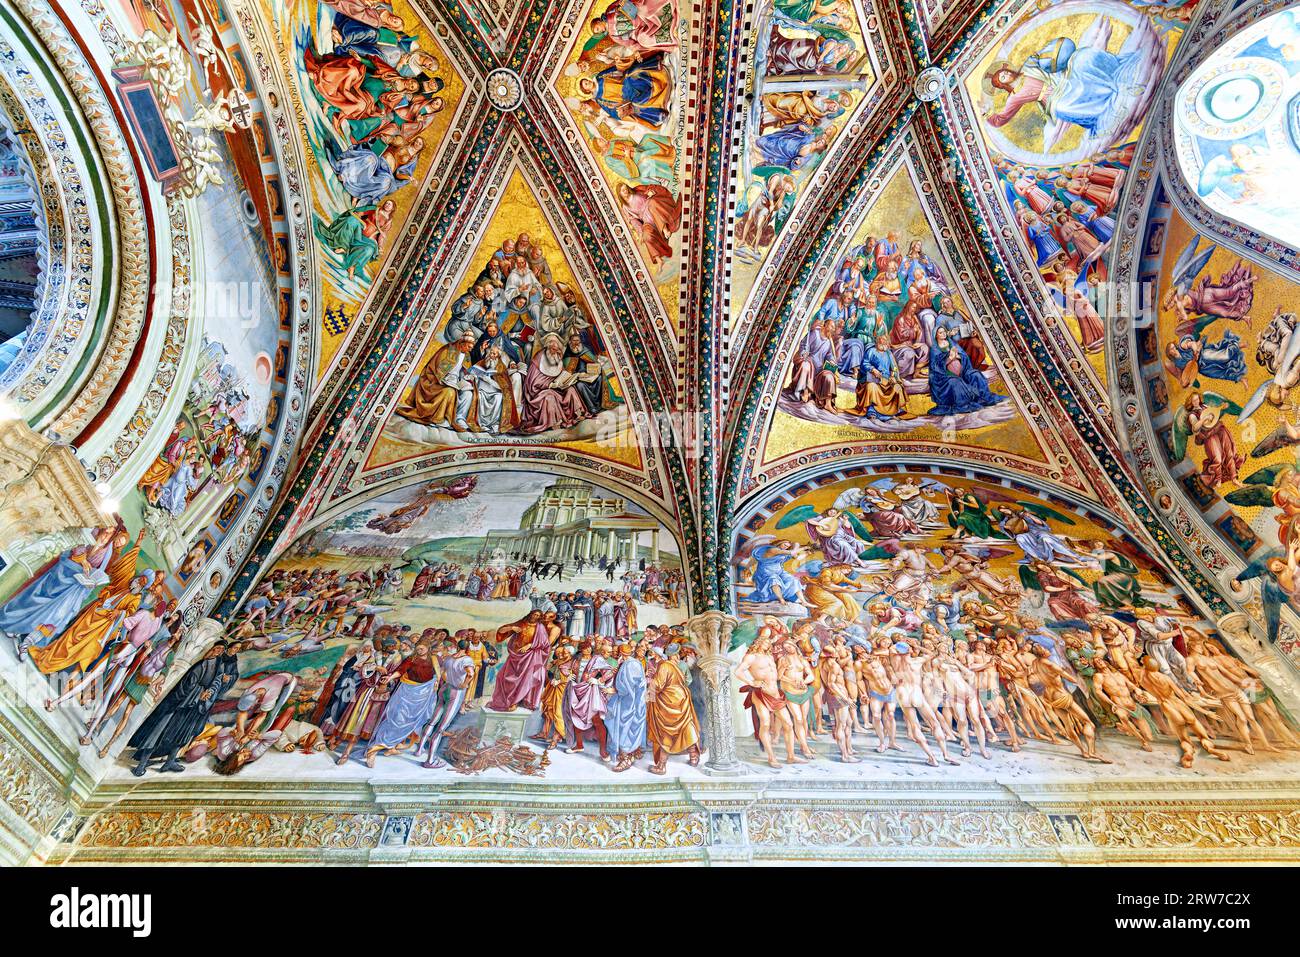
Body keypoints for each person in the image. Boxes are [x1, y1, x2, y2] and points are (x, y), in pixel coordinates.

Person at [127, 640, 239, 775]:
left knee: (183, 735)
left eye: (221, 650)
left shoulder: (218, 665)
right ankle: (141, 765)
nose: (218, 652)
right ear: (211, 648)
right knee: (159, 733)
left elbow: (217, 681)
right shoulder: (200, 663)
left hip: (196, 708)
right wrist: (199, 694)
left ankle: (169, 762)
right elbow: (186, 684)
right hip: (179, 706)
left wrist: (209, 693)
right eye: (217, 648)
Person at [645, 644, 700, 773]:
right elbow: (685, 681)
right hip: (682, 699)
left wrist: (648, 696)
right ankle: (693, 757)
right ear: (676, 654)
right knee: (686, 726)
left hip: (668, 701)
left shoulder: (665, 666)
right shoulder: (680, 665)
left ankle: (661, 766)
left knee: (666, 731)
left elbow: (658, 685)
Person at [487, 611, 557, 711]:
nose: (535, 616)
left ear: (539, 617)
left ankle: (515, 702)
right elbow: (501, 631)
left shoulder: (540, 627)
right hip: (515, 656)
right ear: (530, 614)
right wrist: (511, 628)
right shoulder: (521, 623)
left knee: (523, 680)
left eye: (538, 615)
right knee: (502, 677)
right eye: (534, 614)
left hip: (529, 657)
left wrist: (530, 645)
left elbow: (545, 643)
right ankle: (505, 700)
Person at [606, 642, 648, 771]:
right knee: (625, 728)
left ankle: (626, 758)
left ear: (621, 653)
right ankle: (626, 755)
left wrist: (614, 690)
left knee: (624, 729)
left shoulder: (629, 665)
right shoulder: (633, 663)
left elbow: (627, 687)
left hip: (629, 704)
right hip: (633, 702)